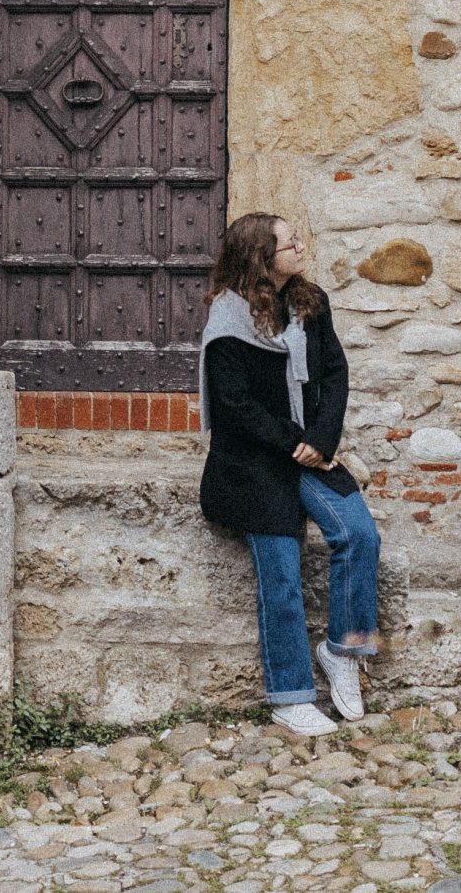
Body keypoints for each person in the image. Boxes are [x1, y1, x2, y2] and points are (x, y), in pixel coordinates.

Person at [198, 212, 382, 738]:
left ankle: (342, 650)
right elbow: (234, 405)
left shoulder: (310, 302)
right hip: (253, 463)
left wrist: (321, 440)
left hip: (309, 450)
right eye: (289, 243)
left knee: (359, 534)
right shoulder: (229, 320)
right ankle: (291, 696)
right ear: (261, 258)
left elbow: (334, 372)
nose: (301, 247)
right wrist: (294, 444)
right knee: (281, 577)